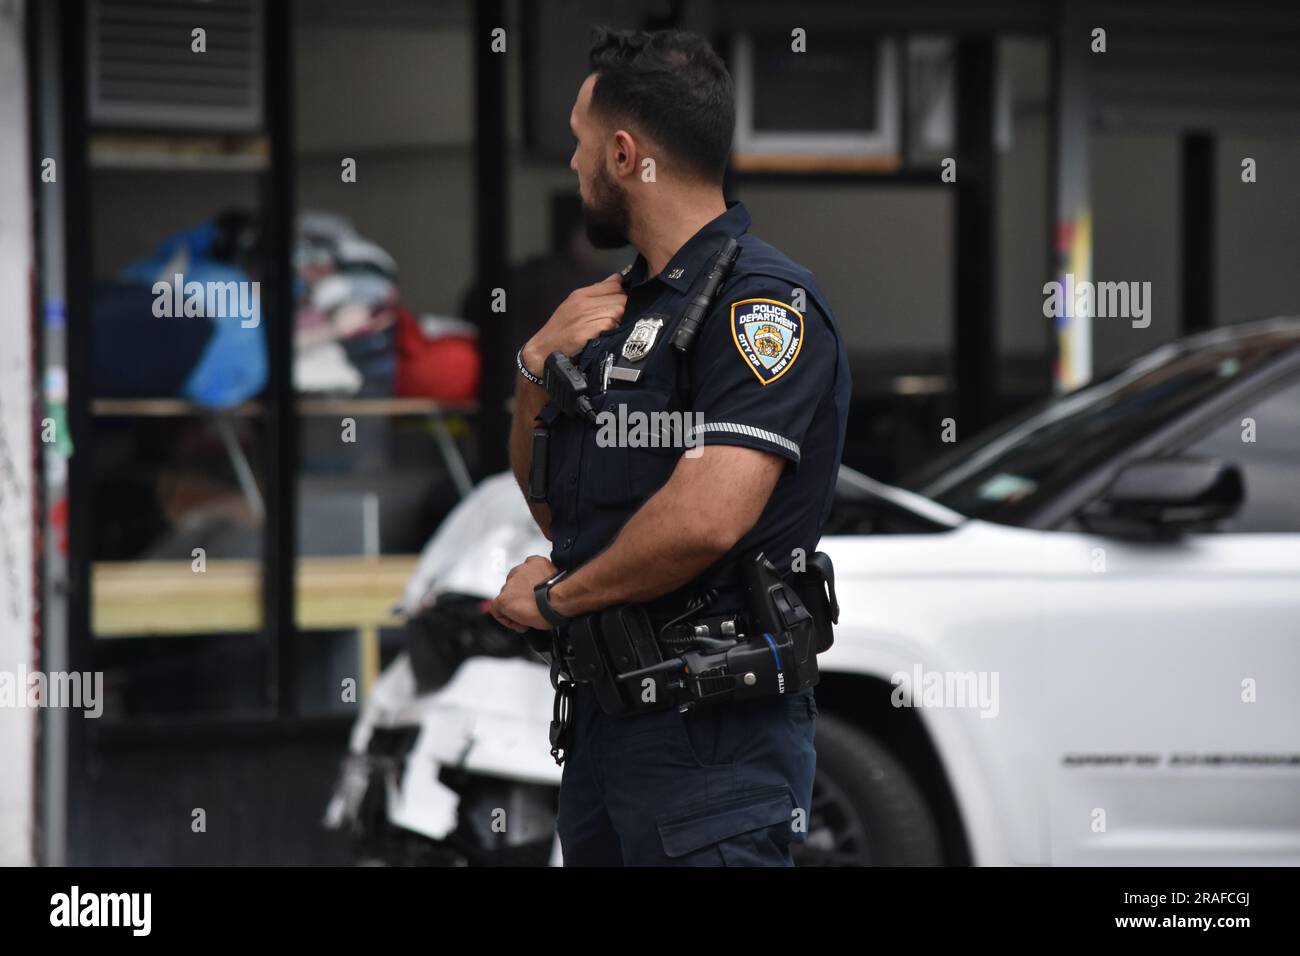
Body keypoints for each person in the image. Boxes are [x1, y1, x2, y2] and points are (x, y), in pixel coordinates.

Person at [490, 27, 851, 866]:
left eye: (580, 146)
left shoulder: (761, 305)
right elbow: (558, 510)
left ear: (624, 154)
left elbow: (706, 520)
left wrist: (556, 603)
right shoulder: (618, 310)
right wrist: (534, 368)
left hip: (710, 744)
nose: (574, 168)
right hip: (607, 728)